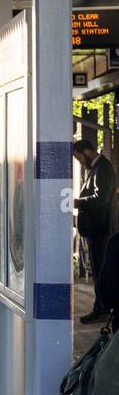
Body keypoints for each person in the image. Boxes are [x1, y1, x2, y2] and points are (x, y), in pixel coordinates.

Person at [73, 138, 114, 324]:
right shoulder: (98, 168)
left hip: (100, 230)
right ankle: (102, 307)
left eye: (79, 157)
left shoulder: (102, 169)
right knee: (98, 270)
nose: (80, 162)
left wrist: (79, 202)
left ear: (87, 152)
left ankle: (102, 308)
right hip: (97, 230)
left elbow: (100, 199)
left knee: (100, 271)